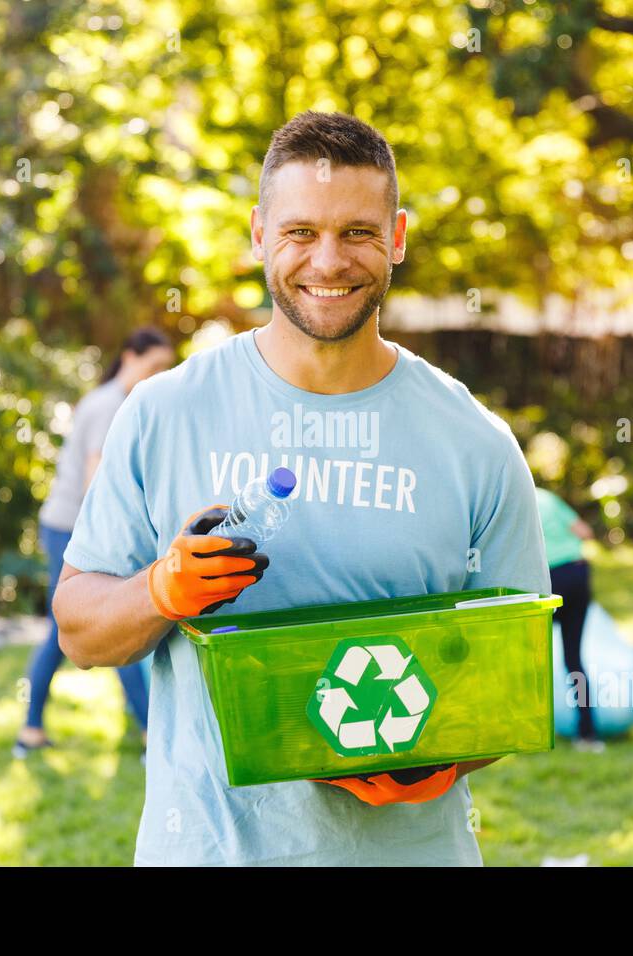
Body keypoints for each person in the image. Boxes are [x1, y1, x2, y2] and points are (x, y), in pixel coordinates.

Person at [53, 112, 549, 866]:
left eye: (358, 232)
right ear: (259, 234)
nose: (329, 260)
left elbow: (513, 681)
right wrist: (161, 588)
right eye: (299, 232)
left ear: (399, 237)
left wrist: (441, 760)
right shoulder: (164, 412)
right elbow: (78, 629)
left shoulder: (474, 442)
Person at [13, 327, 175, 759]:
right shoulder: (109, 405)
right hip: (73, 530)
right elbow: (96, 482)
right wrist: (119, 538)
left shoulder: (119, 401)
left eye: (166, 368)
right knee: (82, 627)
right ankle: (36, 727)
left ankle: (140, 729)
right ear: (129, 356)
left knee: (106, 624)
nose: (159, 375)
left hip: (74, 527)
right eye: (154, 366)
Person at [535, 487, 602, 751]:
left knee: (531, 659)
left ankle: (530, 731)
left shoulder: (518, 499)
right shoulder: (549, 498)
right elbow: (585, 532)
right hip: (577, 572)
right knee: (574, 660)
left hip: (549, 580)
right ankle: (588, 736)